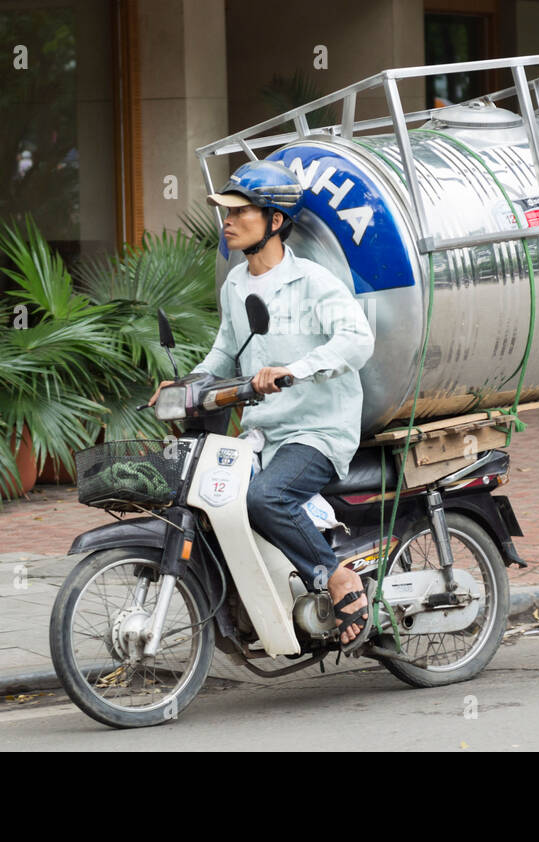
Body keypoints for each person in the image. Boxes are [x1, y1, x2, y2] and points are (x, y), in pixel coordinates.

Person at [148, 160, 376, 649]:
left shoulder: (313, 281)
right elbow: (223, 353)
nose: (227, 222)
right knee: (209, 499)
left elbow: (358, 341)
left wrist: (298, 369)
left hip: (316, 430)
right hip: (262, 434)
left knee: (265, 498)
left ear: (274, 221)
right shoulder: (236, 285)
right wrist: (182, 385)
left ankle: (335, 575)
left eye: (240, 212)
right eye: (225, 213)